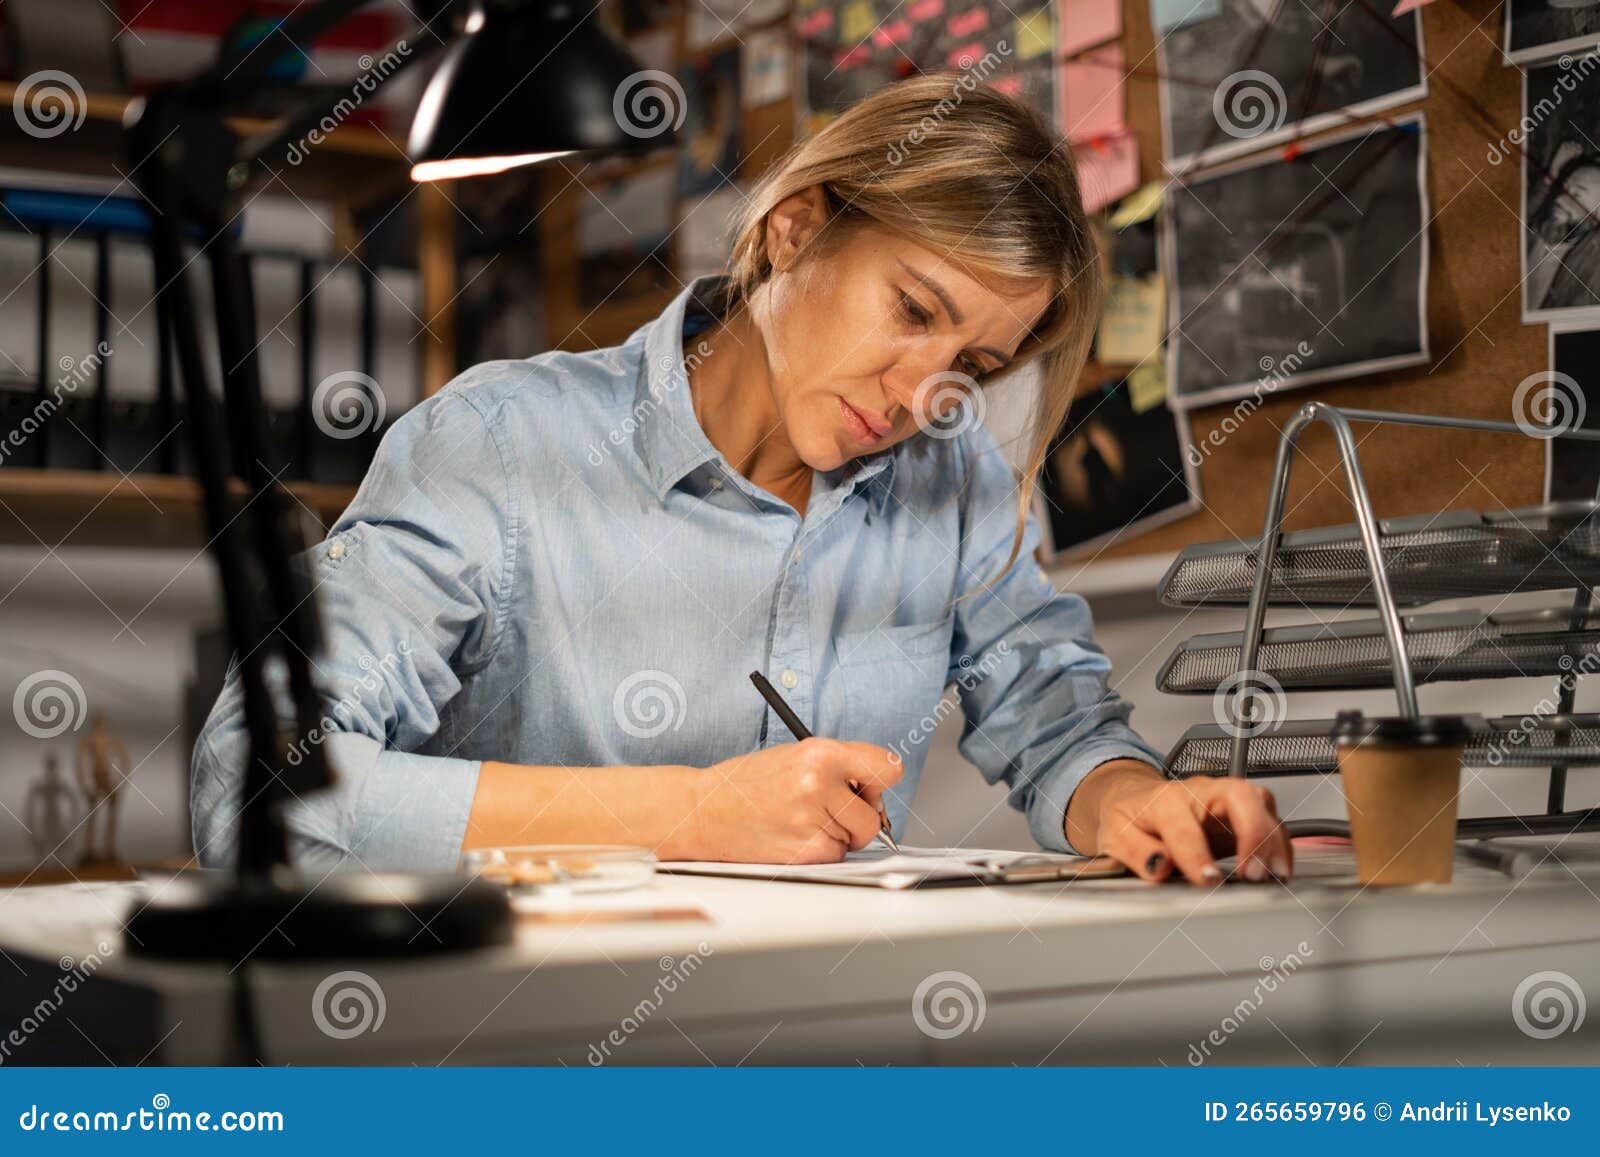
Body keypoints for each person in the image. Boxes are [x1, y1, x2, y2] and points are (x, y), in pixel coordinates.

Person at [192, 75, 1292, 886]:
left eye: (976, 364)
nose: (925, 394)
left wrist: (1141, 803)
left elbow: (1057, 731)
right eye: (912, 311)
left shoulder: (946, 482)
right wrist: (693, 810)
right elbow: (257, 783)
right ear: (793, 229)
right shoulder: (498, 441)